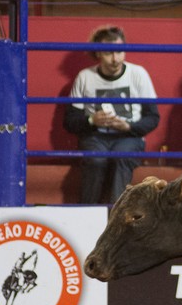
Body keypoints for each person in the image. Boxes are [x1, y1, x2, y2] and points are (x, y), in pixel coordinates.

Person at [63, 25, 159, 204]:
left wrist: (129, 127)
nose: (116, 59)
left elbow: (153, 117)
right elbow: (70, 121)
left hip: (129, 136)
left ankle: (116, 218)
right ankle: (87, 215)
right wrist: (92, 120)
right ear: (98, 53)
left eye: (120, 52)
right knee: (96, 159)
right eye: (109, 53)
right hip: (95, 136)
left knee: (121, 156)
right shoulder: (85, 77)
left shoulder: (138, 74)